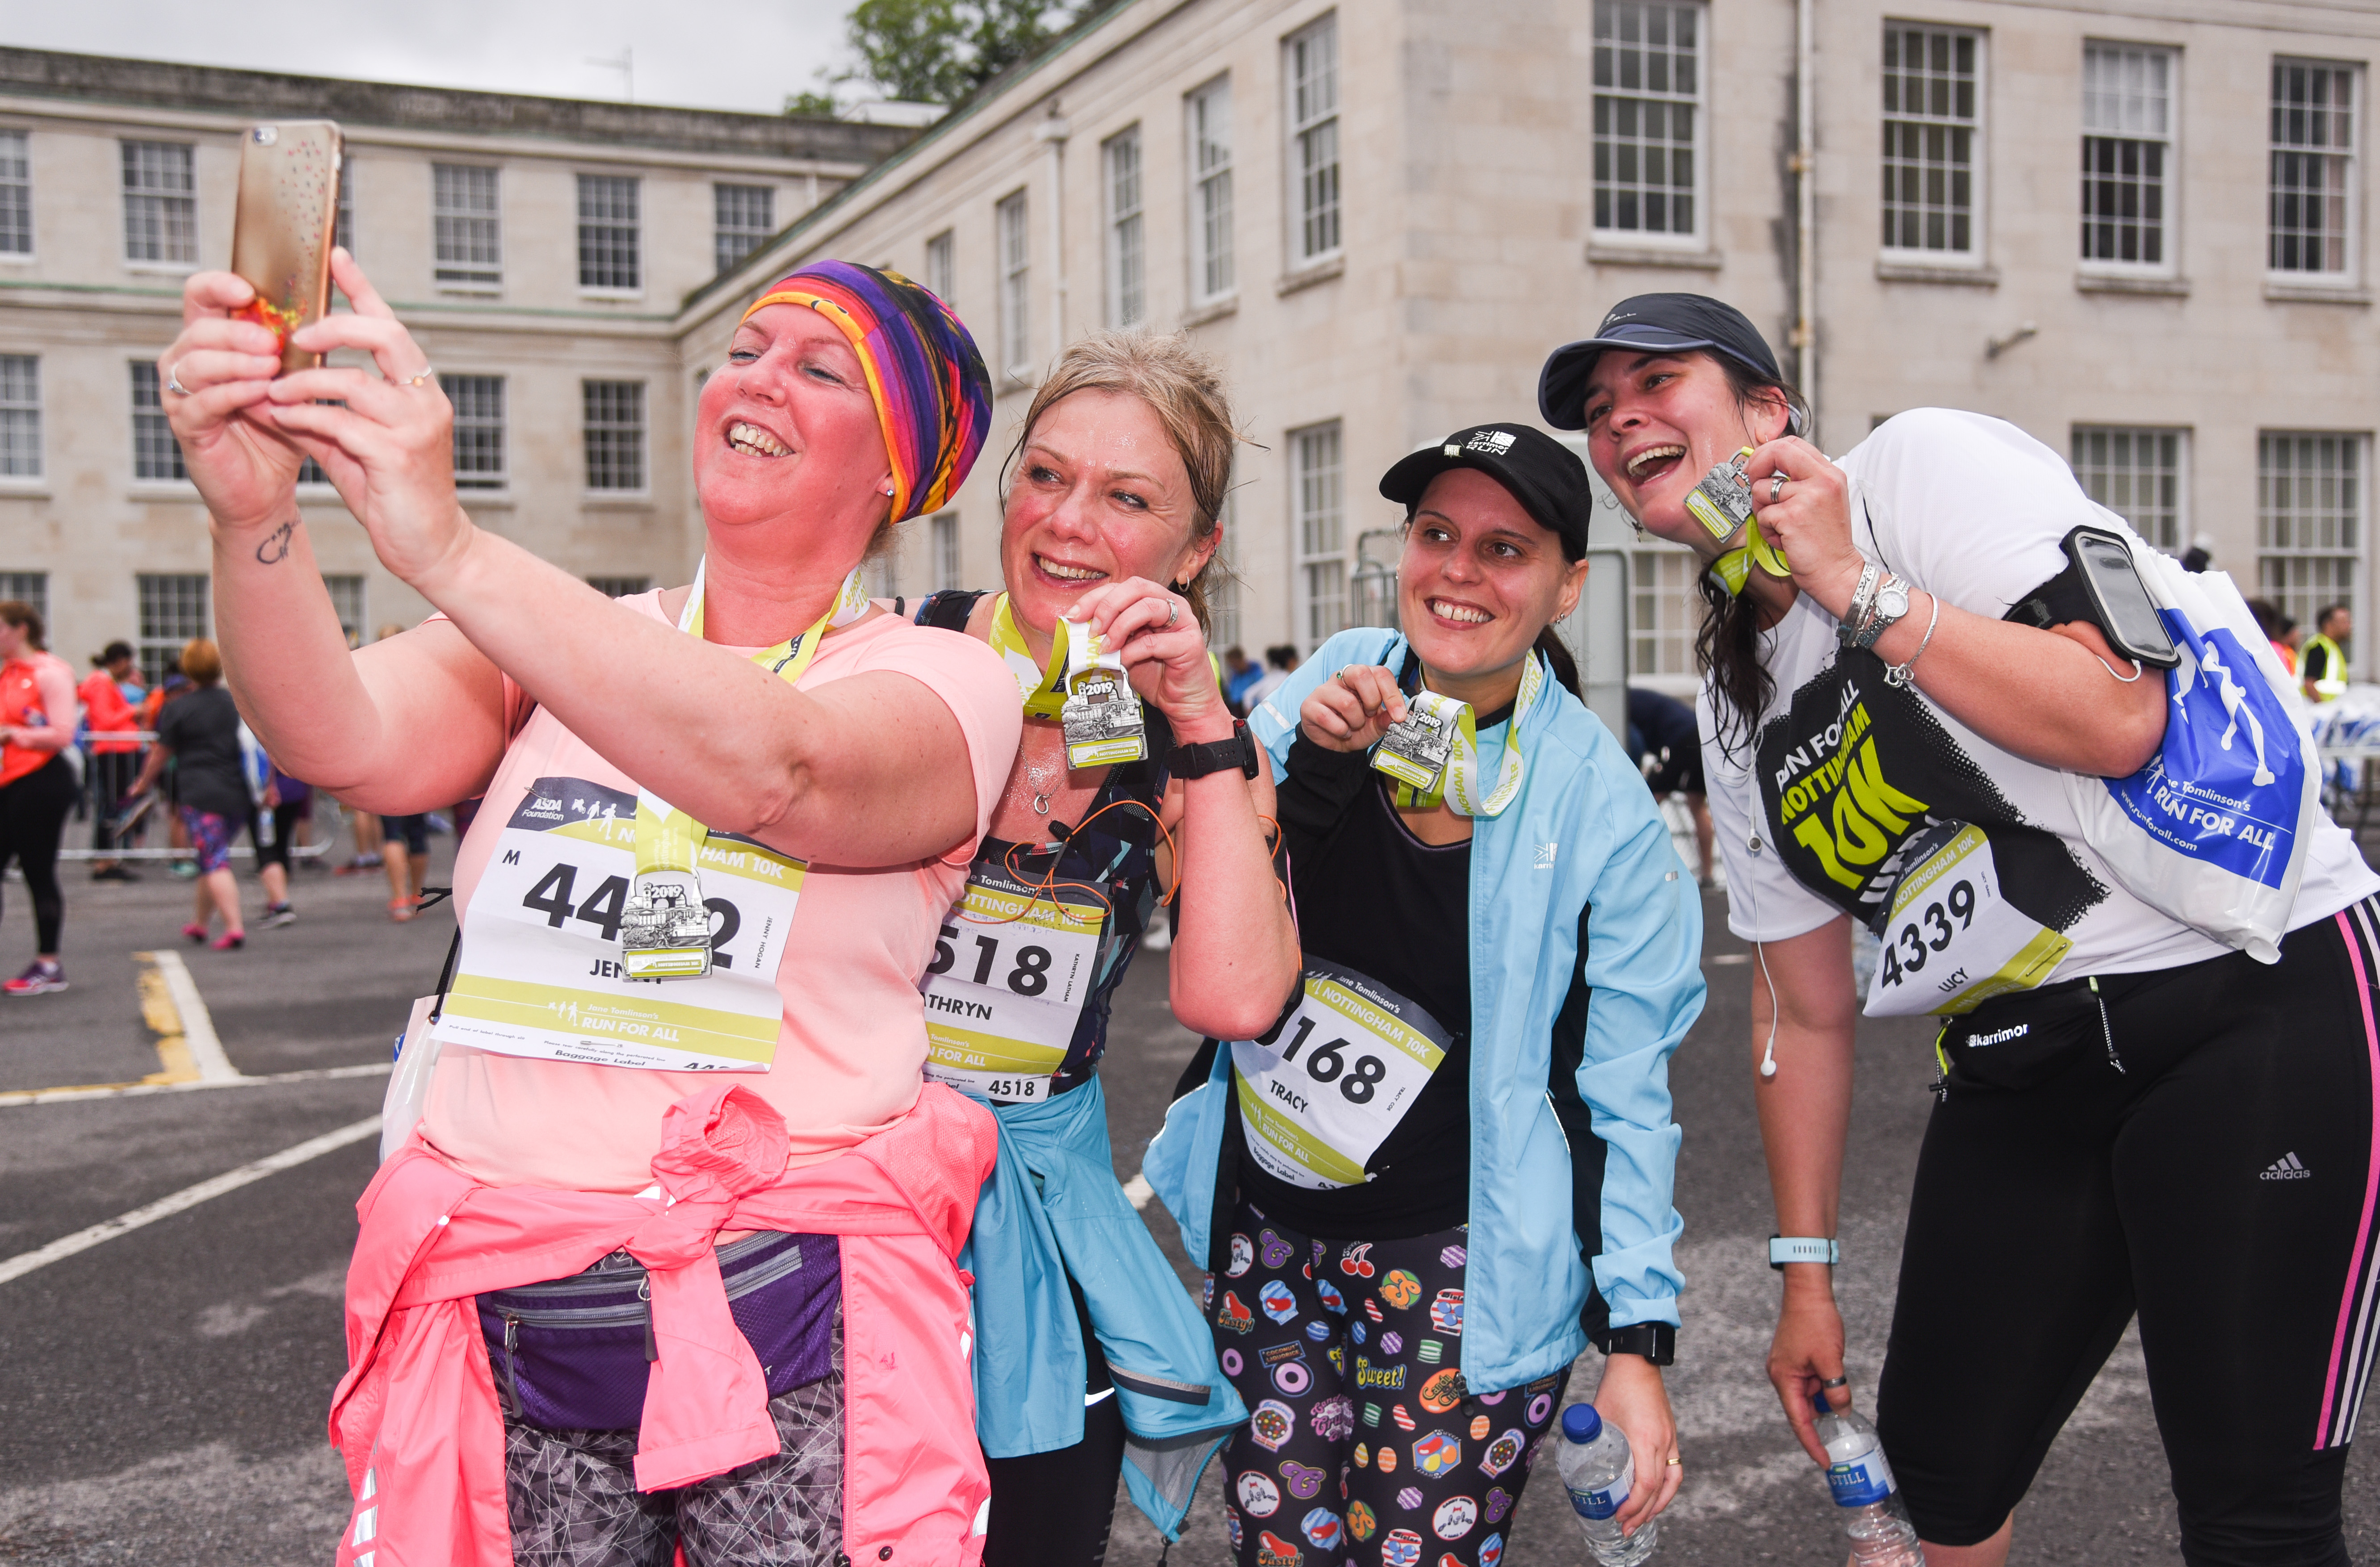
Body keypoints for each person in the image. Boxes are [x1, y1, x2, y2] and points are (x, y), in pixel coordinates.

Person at [161, 248, 1020, 1564]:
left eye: (818, 366)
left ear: (893, 467)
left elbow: (779, 766)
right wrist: (250, 516)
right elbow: (339, 736)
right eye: (742, 347)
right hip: (513, 1300)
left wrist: (446, 542)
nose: (757, 379)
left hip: (793, 1307)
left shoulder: (943, 675)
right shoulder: (563, 640)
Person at [1546, 290, 2380, 1567]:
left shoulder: (1915, 471)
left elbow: (2118, 713)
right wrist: (1804, 1273)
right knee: (1936, 1470)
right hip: (2013, 1056)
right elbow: (1799, 1000)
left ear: (1767, 410)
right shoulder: (1728, 689)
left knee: (2251, 1504)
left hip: (2242, 998)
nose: (1620, 424)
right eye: (1599, 417)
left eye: (1654, 386)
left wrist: (1848, 582)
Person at [1147, 422, 1703, 1567]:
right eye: (1437, 535)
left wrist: (1637, 1342)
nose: (1458, 571)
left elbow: (1625, 1093)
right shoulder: (1335, 674)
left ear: (1568, 587)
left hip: (1461, 1269)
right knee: (1280, 1552)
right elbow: (1204, 900)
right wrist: (1315, 777)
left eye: (1506, 550)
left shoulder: (1600, 807)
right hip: (1271, 1234)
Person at [909, 331, 1297, 1562]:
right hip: (850, 1207)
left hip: (1038, 1216)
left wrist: (1193, 720)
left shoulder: (1200, 750)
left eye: (1126, 499)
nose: (1067, 522)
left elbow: (1236, 994)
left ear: (1192, 553)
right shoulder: (892, 663)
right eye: (1045, 476)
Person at [126, 637, 251, 951]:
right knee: (210, 857)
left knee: (214, 860)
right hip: (238, 791)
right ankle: (200, 922)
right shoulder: (236, 700)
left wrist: (142, 783)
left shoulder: (178, 708)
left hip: (200, 793)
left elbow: (160, 754)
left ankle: (234, 926)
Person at [0, 601, 80, 995]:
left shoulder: (52, 672)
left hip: (43, 780)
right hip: (11, 780)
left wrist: (15, 735)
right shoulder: (9, 674)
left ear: (21, 630)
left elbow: (62, 733)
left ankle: (49, 963)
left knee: (37, 870)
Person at [1626, 685, 1713, 885]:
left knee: (1651, 799)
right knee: (1696, 802)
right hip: (1700, 734)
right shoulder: (1639, 697)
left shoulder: (1621, 703)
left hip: (1680, 738)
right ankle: (1708, 875)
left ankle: (1639, 867)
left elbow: (1635, 743)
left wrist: (1636, 775)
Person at [80, 640, 144, 881]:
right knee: (110, 806)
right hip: (113, 751)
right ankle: (105, 861)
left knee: (112, 805)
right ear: (120, 661)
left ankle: (108, 858)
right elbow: (105, 720)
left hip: (116, 750)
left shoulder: (103, 682)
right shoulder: (101, 683)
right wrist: (133, 711)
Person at [252, 756, 308, 927]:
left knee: (268, 851)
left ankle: (280, 903)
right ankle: (277, 899)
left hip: (269, 793)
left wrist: (269, 786)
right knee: (282, 847)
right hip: (294, 787)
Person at [380, 808, 428, 920]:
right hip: (417, 793)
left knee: (393, 835)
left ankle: (400, 902)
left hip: (389, 794)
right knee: (417, 834)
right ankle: (417, 898)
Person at [2303, 602, 2352, 704]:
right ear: (2328, 625)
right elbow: (2309, 683)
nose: (2349, 626)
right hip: (2319, 713)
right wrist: (2323, 708)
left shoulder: (2331, 648)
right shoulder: (2319, 647)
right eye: (2344, 622)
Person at [1242, 643, 1299, 711]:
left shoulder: (1271, 677)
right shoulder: (1288, 678)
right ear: (1291, 661)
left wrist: (1250, 715)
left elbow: (1247, 695)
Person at [1221, 643, 1263, 714]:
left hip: (1253, 710)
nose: (1234, 667)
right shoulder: (1235, 675)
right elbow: (1232, 695)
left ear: (1241, 659)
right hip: (1238, 711)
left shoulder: (1256, 672)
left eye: (1235, 664)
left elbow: (1260, 692)